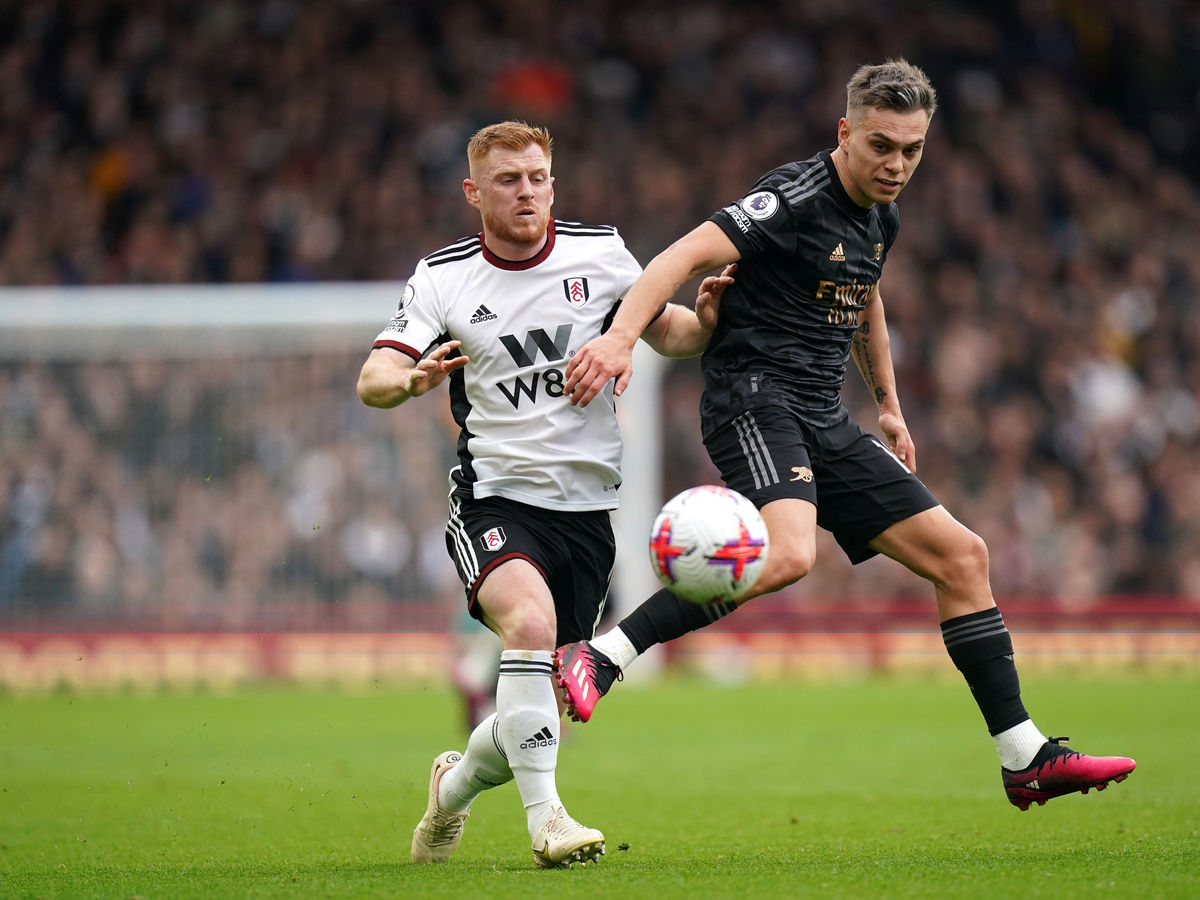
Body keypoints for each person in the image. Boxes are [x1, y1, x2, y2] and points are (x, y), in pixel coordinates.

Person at [555, 59, 1135, 811]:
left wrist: (889, 404)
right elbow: (682, 255)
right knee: (789, 552)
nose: (896, 164)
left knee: (963, 557)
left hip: (824, 414)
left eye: (912, 150)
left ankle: (1024, 757)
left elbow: (867, 297)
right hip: (753, 399)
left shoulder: (880, 216)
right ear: (845, 133)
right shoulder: (793, 196)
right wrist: (623, 338)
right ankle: (605, 653)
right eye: (881, 146)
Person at [356, 121, 730, 867]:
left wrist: (709, 324)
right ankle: (548, 823)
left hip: (590, 515)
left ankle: (453, 787)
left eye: (537, 177)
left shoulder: (602, 253)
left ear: (553, 182)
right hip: (495, 499)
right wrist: (412, 380)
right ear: (474, 192)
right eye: (507, 180)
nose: (526, 191)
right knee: (528, 624)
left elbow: (672, 335)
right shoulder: (443, 277)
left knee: (536, 714)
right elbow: (373, 380)